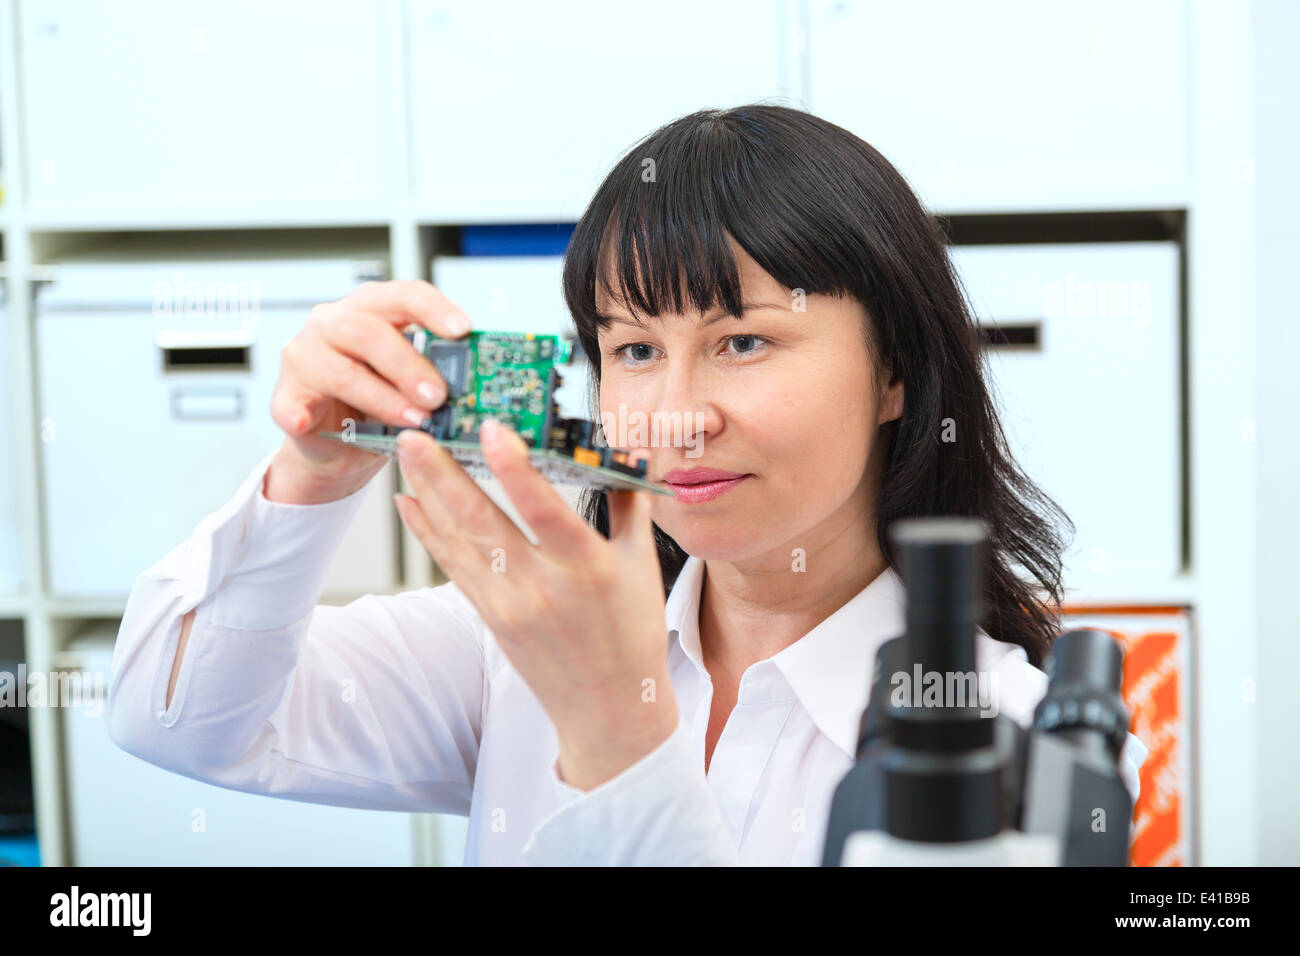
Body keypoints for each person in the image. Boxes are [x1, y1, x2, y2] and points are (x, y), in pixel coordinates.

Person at [107, 104, 1148, 865]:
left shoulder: (1013, 740)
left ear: (895, 372)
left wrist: (616, 733)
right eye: (635, 349)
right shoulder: (510, 647)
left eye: (743, 339)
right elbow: (178, 719)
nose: (675, 414)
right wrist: (310, 469)